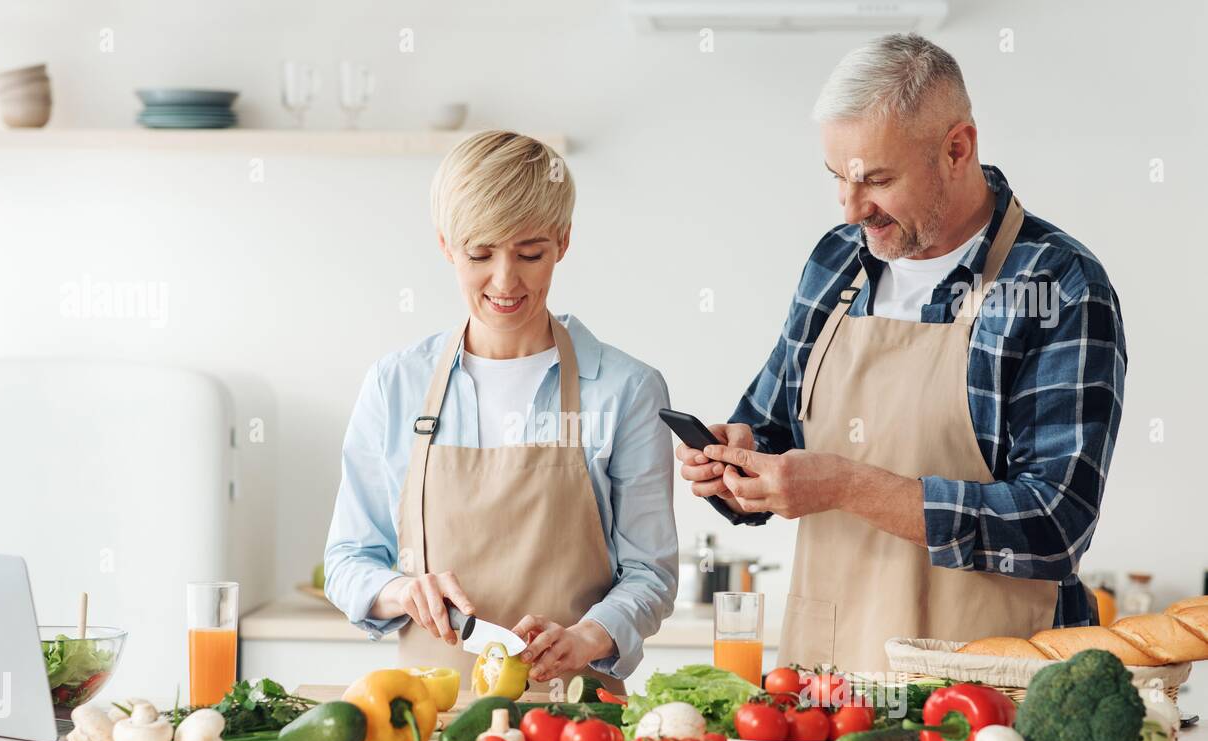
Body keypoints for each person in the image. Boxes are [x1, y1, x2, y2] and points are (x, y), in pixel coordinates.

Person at [677, 34, 1126, 674]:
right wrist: (732, 465)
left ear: (956, 149)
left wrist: (845, 484)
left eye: (877, 180)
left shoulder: (1055, 284)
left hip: (984, 690)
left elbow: (1056, 523)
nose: (852, 207)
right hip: (827, 682)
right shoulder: (835, 263)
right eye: (838, 177)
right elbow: (771, 428)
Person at [326, 130, 677, 692]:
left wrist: (587, 636)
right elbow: (349, 558)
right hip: (425, 714)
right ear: (446, 245)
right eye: (480, 254)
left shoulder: (626, 390)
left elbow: (649, 574)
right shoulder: (397, 384)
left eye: (530, 253)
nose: (506, 281)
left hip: (574, 720)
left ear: (562, 242)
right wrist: (402, 591)